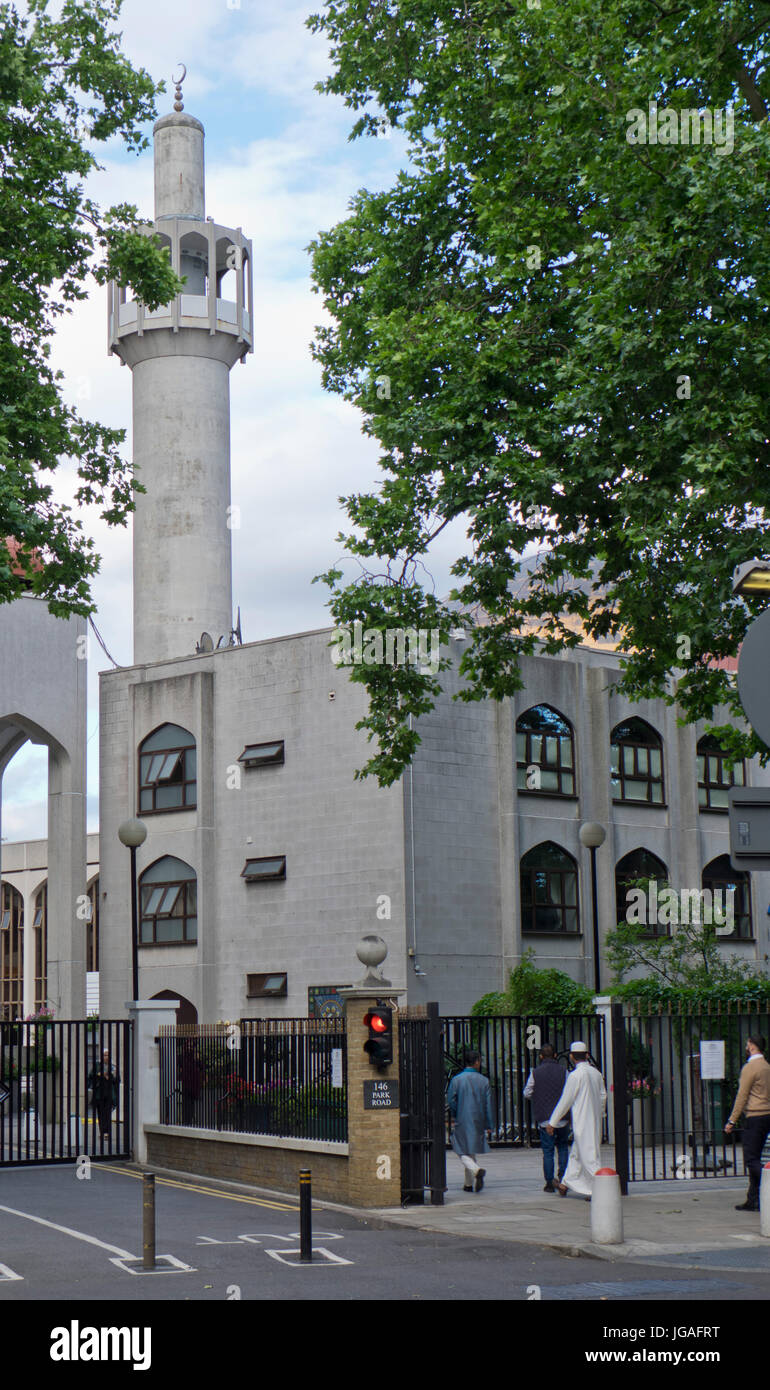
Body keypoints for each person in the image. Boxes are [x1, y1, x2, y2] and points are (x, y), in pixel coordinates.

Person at [545, 1041, 606, 1200]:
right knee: (577, 1154)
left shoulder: (575, 1076)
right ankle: (566, 1183)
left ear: (571, 1057)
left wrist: (552, 1122)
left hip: (582, 1120)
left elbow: (566, 1100)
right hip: (594, 1119)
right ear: (587, 1055)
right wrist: (600, 1113)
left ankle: (600, 1188)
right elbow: (603, 1096)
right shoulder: (596, 1073)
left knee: (589, 1156)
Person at [724, 1034, 770, 1212]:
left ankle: (766, 1181)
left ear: (751, 1045)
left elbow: (742, 1096)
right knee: (756, 1158)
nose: (746, 1046)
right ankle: (753, 1199)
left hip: (755, 1116)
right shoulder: (767, 1066)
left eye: (747, 1043)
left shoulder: (750, 1068)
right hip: (767, 1116)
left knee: (751, 1160)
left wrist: (732, 1120)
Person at [524, 1043, 570, 1192]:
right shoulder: (564, 1071)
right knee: (562, 1146)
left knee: (548, 1150)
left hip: (545, 1117)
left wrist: (537, 1096)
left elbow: (527, 1092)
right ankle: (563, 1176)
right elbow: (570, 1091)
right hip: (562, 1117)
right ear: (555, 1055)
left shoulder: (535, 1072)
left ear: (541, 1056)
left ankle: (549, 1182)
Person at [447, 1050, 494, 1192]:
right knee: (469, 1149)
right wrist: (489, 1124)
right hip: (478, 1118)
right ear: (477, 1062)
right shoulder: (484, 1081)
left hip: (462, 1117)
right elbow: (488, 1105)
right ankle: (468, 1184)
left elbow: (451, 1100)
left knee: (459, 1148)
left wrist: (456, 1113)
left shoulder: (456, 1080)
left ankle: (476, 1169)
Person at [88, 1048, 120, 1139]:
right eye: (105, 1055)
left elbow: (117, 1080)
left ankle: (107, 1132)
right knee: (101, 1114)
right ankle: (102, 1132)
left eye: (108, 1055)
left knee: (107, 1114)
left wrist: (110, 1077)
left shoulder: (113, 1067)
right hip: (99, 1094)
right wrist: (100, 1074)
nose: (106, 1057)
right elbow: (91, 1075)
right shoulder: (97, 1066)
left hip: (109, 1093)